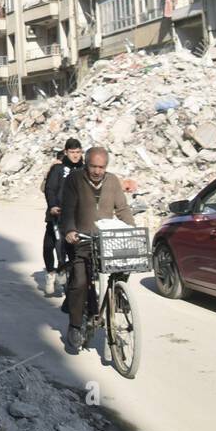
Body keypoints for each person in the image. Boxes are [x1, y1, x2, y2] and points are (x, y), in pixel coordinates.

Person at [60, 145, 135, 355]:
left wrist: (130, 229)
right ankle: (75, 325)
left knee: (125, 264)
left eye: (101, 167)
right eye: (93, 166)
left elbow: (122, 209)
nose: (97, 171)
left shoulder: (112, 181)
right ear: (86, 164)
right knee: (80, 282)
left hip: (105, 240)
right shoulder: (74, 179)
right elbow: (67, 211)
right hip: (80, 240)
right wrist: (70, 230)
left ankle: (117, 298)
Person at [43, 138, 84, 297]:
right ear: (66, 152)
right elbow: (50, 189)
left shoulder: (84, 169)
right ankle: (50, 273)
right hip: (57, 214)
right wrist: (52, 205)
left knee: (70, 248)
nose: (75, 155)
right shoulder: (58, 169)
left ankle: (64, 271)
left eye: (78, 152)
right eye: (72, 152)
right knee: (50, 245)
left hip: (76, 216)